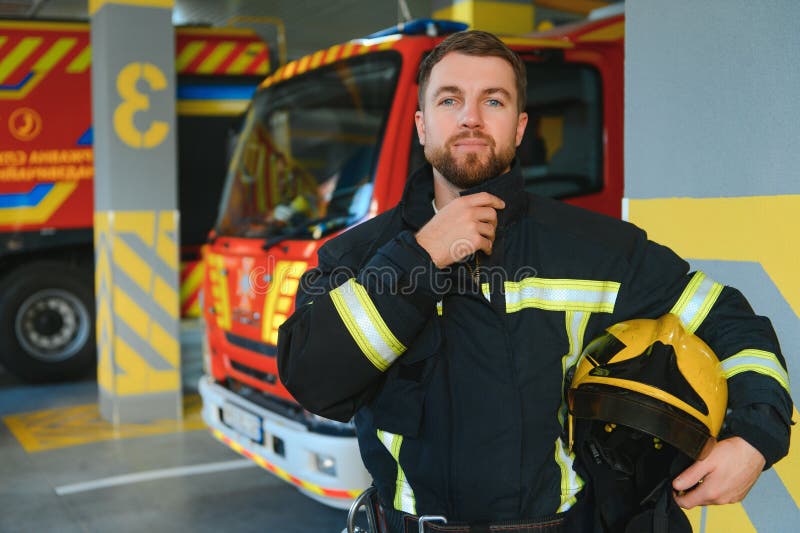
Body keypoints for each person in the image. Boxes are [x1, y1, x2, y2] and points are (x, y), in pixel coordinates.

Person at [277, 30, 792, 532]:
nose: (471, 118)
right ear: (421, 125)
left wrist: (754, 438)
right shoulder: (356, 256)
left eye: (493, 101)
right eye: (450, 99)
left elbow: (730, 320)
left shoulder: (600, 249)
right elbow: (312, 381)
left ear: (520, 127)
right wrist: (421, 258)